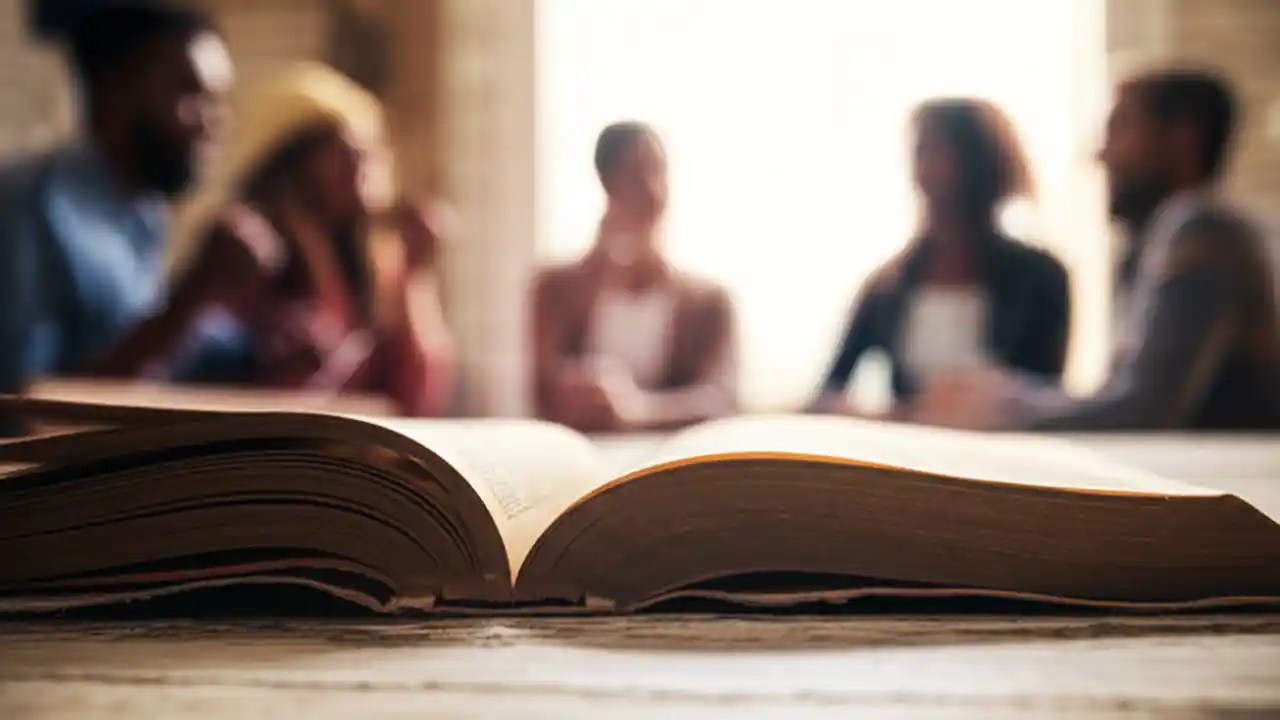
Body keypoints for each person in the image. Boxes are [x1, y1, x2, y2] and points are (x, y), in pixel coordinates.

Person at [916, 71, 1280, 430]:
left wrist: (1001, 407)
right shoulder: (1162, 241)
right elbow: (1121, 396)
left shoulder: (1201, 228)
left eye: (1120, 128)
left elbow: (1145, 410)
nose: (1101, 153)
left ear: (1183, 138)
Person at [94, 64, 456, 416]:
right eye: (339, 148)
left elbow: (415, 398)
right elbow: (197, 386)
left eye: (367, 150)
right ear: (290, 161)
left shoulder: (373, 271)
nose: (360, 163)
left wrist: (416, 276)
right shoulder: (243, 258)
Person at [0, 2, 232, 394]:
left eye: (219, 99)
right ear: (116, 88)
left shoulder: (145, 212)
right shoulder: (27, 206)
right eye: (190, 92)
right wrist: (192, 297)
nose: (214, 121)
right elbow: (21, 404)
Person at [810, 99, 1070, 414]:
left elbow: (1048, 395)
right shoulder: (887, 286)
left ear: (982, 163)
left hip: (1003, 441)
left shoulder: (1039, 277)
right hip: (907, 442)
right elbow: (830, 390)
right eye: (921, 151)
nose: (928, 167)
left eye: (942, 150)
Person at [533, 122, 736, 432]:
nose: (651, 191)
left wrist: (636, 411)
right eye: (634, 176)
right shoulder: (555, 288)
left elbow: (721, 401)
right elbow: (543, 396)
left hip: (674, 459)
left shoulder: (709, 301)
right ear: (606, 184)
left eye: (658, 172)